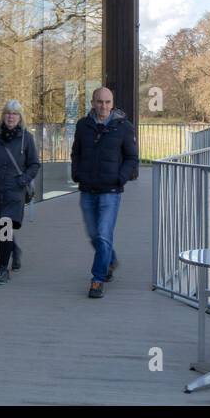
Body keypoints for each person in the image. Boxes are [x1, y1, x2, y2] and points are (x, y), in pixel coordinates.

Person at [70, 87, 138, 298]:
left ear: (112, 103)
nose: (104, 106)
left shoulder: (124, 127)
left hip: (110, 191)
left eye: (107, 102)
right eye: (99, 102)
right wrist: (77, 174)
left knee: (103, 233)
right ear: (92, 102)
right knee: (93, 235)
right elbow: (76, 152)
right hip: (87, 189)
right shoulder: (83, 125)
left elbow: (131, 158)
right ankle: (110, 260)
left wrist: (120, 178)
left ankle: (97, 279)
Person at [0, 99, 40, 285]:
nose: (10, 117)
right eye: (7, 113)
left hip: (14, 192)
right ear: (3, 115)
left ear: (20, 117)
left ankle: (3, 270)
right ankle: (15, 250)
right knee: (1, 229)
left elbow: (34, 164)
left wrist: (23, 180)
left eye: (14, 114)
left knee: (5, 227)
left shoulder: (26, 138)